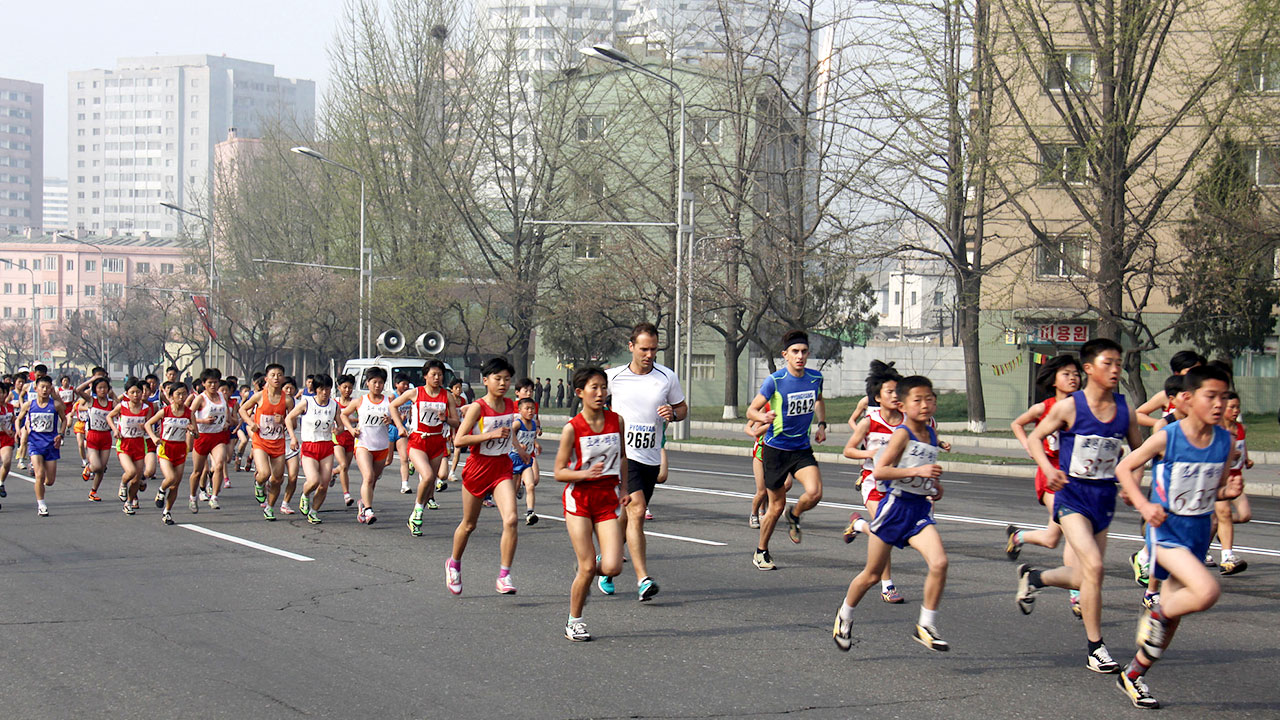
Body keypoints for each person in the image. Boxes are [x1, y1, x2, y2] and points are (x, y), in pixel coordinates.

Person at [1112, 365, 1241, 709]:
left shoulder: (1225, 442)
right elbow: (1124, 468)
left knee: (1170, 626)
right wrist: (1143, 504)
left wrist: (1230, 490)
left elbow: (1213, 492)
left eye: (1224, 396)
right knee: (1208, 591)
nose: (1218, 404)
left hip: (1197, 535)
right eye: (1210, 396)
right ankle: (1156, 613)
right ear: (1189, 398)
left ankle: (1133, 676)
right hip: (1165, 533)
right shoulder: (1169, 435)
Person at [1019, 338, 1143, 675]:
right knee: (1095, 569)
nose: (1116, 369)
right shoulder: (1070, 407)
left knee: (1087, 574)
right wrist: (1048, 470)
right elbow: (1033, 438)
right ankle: (1095, 648)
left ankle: (1036, 577)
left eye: (1119, 363)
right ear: (1089, 368)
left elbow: (1138, 453)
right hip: (1071, 497)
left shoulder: (1124, 410)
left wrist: (1133, 485)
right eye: (1108, 363)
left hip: (1103, 499)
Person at [833, 375, 950, 653]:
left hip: (919, 510)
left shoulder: (931, 433)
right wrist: (916, 472)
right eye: (917, 400)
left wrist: (934, 486)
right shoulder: (902, 434)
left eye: (929, 399)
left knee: (940, 563)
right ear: (905, 405)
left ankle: (926, 625)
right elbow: (881, 470)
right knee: (872, 575)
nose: (924, 405)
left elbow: (924, 470)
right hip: (895, 509)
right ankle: (844, 615)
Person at [602, 322, 687, 599]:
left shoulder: (666, 377)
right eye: (644, 349)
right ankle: (643, 580)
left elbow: (682, 407)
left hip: (650, 456)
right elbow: (591, 399)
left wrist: (672, 414)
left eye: (653, 349)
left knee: (628, 515)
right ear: (631, 347)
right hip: (624, 457)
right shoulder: (613, 378)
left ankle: (607, 562)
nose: (649, 354)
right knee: (637, 511)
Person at [1005, 354, 1084, 617]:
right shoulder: (1044, 408)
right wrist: (1029, 445)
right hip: (1050, 476)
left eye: (1075, 373)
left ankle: (1019, 537)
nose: (1073, 378)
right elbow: (1017, 423)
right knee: (1073, 531)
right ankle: (1076, 594)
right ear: (1053, 380)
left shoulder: (1082, 407)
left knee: (1052, 539)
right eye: (1066, 374)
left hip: (1075, 477)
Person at [555, 366, 627, 641]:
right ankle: (575, 621)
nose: (600, 393)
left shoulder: (616, 421)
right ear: (579, 392)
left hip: (607, 498)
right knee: (587, 566)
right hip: (580, 500)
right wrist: (584, 474)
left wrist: (625, 487)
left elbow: (622, 457)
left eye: (603, 387)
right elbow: (560, 471)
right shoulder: (572, 428)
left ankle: (584, 573)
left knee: (612, 567)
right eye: (594, 388)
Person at [745, 329, 826, 570]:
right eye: (795, 352)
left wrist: (821, 425)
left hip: (801, 449)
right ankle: (761, 551)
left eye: (803, 352)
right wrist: (763, 416)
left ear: (808, 354)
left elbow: (819, 399)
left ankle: (795, 514)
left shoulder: (814, 378)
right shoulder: (775, 380)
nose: (800, 356)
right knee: (775, 506)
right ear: (785, 355)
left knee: (815, 492)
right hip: (775, 450)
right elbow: (751, 411)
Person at [446, 357, 519, 596]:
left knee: (511, 520)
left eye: (507, 379)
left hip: (501, 468)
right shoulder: (478, 407)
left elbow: (508, 433)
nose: (503, 383)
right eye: (497, 379)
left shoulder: (510, 405)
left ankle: (504, 575)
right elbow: (459, 440)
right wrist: (490, 435)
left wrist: (519, 447)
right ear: (486, 380)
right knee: (469, 525)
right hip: (478, 469)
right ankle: (454, 564)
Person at [841, 360, 907, 603]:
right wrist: (870, 454)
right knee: (886, 530)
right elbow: (848, 450)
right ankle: (887, 585)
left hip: (900, 485)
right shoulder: (870, 422)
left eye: (898, 391)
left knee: (893, 532)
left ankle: (858, 525)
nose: (895, 396)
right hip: (873, 483)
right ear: (878, 397)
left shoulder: (908, 420)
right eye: (889, 392)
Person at [390, 360, 458, 535]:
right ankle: (418, 510)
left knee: (430, 483)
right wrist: (399, 426)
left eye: (440, 375)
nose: (437, 378)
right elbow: (393, 406)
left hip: (437, 442)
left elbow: (456, 421)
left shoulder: (447, 395)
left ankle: (415, 514)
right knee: (427, 476)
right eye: (433, 374)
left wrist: (446, 419)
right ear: (425, 376)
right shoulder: (416, 393)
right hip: (418, 440)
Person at [241, 364, 294, 521]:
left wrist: (284, 420)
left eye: (279, 375)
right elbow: (242, 410)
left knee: (278, 479)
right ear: (267, 379)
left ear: (283, 378)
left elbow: (294, 423)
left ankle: (269, 507)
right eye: (273, 375)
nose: (276, 378)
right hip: (260, 441)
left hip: (278, 442)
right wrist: (250, 424)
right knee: (265, 473)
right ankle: (259, 484)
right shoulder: (259, 396)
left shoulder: (288, 400)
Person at [339, 367, 392, 525]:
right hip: (363, 445)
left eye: (381, 382)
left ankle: (363, 503)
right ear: (367, 383)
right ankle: (368, 510)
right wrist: (350, 429)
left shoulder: (389, 402)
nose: (377, 385)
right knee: (368, 477)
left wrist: (392, 421)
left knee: (373, 480)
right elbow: (343, 414)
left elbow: (399, 418)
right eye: (374, 382)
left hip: (382, 446)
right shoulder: (360, 401)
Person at [285, 373, 338, 525]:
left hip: (326, 446)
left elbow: (339, 423)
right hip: (309, 446)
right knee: (314, 481)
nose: (324, 392)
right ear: (315, 389)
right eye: (321, 389)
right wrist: (293, 437)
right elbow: (289, 418)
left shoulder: (333, 405)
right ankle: (305, 494)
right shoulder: (306, 402)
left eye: (327, 388)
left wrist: (338, 429)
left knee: (324, 483)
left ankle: (314, 511)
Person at [17, 375, 70, 517]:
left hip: (51, 444)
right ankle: (41, 505)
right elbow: (19, 418)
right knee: (40, 475)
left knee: (50, 481)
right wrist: (19, 431)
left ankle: (40, 483)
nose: (45, 390)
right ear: (36, 388)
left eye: (48, 387)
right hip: (35, 443)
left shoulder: (55, 405)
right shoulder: (29, 405)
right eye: (42, 387)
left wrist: (61, 433)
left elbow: (64, 419)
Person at [145, 382, 194, 525]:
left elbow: (196, 433)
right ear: (172, 396)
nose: (181, 397)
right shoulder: (165, 411)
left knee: (175, 484)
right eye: (178, 394)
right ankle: (161, 491)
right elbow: (148, 424)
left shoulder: (189, 413)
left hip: (180, 449)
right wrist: (154, 438)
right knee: (170, 477)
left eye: (184, 393)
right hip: (165, 448)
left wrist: (192, 430)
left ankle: (167, 512)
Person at [1214, 390, 1252, 575]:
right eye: (1232, 407)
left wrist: (1247, 459)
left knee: (1244, 515)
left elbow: (1242, 445)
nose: (1235, 411)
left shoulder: (1239, 428)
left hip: (1236, 478)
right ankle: (1227, 558)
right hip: (1220, 479)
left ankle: (1220, 531)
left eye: (1238, 407)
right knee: (1224, 513)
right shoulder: (1217, 429)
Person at [106, 378, 151, 515]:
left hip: (139, 444)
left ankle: (129, 503)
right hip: (124, 444)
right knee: (130, 472)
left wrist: (145, 427)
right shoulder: (122, 406)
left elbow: (148, 424)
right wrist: (115, 429)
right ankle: (123, 483)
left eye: (138, 392)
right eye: (132, 392)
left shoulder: (146, 408)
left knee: (137, 478)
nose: (136, 395)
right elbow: (109, 417)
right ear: (127, 393)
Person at [188, 368, 230, 511]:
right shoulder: (201, 398)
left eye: (216, 382)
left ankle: (214, 497)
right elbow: (190, 414)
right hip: (203, 437)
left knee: (218, 465)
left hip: (218, 437)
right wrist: (202, 421)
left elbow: (227, 412)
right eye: (210, 383)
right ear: (204, 384)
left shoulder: (222, 396)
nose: (213, 385)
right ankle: (193, 497)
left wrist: (227, 422)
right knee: (198, 472)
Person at [1134, 350, 1204, 427]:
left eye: (1198, 371)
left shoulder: (1205, 395)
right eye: (1190, 371)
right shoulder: (1166, 395)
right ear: (1177, 373)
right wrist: (1165, 424)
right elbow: (1137, 415)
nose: (1194, 375)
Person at [510, 397, 541, 525]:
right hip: (514, 458)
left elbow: (530, 437)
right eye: (527, 408)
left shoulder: (533, 424)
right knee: (513, 489)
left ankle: (530, 512)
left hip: (526, 460)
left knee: (531, 484)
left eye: (532, 408)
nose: (530, 411)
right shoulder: (517, 423)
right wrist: (518, 446)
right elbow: (510, 435)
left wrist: (535, 444)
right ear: (520, 410)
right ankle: (510, 512)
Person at [333, 374, 357, 507]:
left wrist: (352, 420)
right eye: (345, 387)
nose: (347, 390)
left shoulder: (356, 403)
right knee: (343, 465)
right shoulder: (334, 402)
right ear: (339, 387)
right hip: (337, 437)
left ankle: (333, 472)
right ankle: (347, 495)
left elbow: (361, 418)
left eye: (350, 388)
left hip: (351, 437)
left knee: (344, 467)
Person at [389, 373, 415, 495]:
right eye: (403, 384)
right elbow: (388, 412)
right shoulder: (392, 397)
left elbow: (411, 412)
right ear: (396, 384)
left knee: (404, 458)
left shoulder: (409, 398)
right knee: (387, 460)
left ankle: (405, 485)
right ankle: (374, 473)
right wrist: (398, 418)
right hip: (390, 428)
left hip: (402, 429)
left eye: (407, 384)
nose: (405, 386)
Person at [0, 380, 14, 503]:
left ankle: (1, 483)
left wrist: (17, 429)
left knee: (7, 461)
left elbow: (14, 420)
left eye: (2, 392)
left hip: (6, 438)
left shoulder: (9, 407)